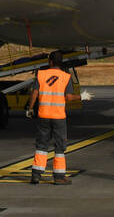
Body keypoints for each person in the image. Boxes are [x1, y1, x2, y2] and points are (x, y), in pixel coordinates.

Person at [26, 51, 81, 185]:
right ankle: (59, 176)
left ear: (50, 61)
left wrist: (30, 108)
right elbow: (68, 97)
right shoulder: (66, 77)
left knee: (41, 145)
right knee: (59, 147)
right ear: (61, 62)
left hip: (43, 115)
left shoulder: (41, 74)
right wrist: (81, 96)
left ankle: (36, 174)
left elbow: (34, 93)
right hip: (58, 117)